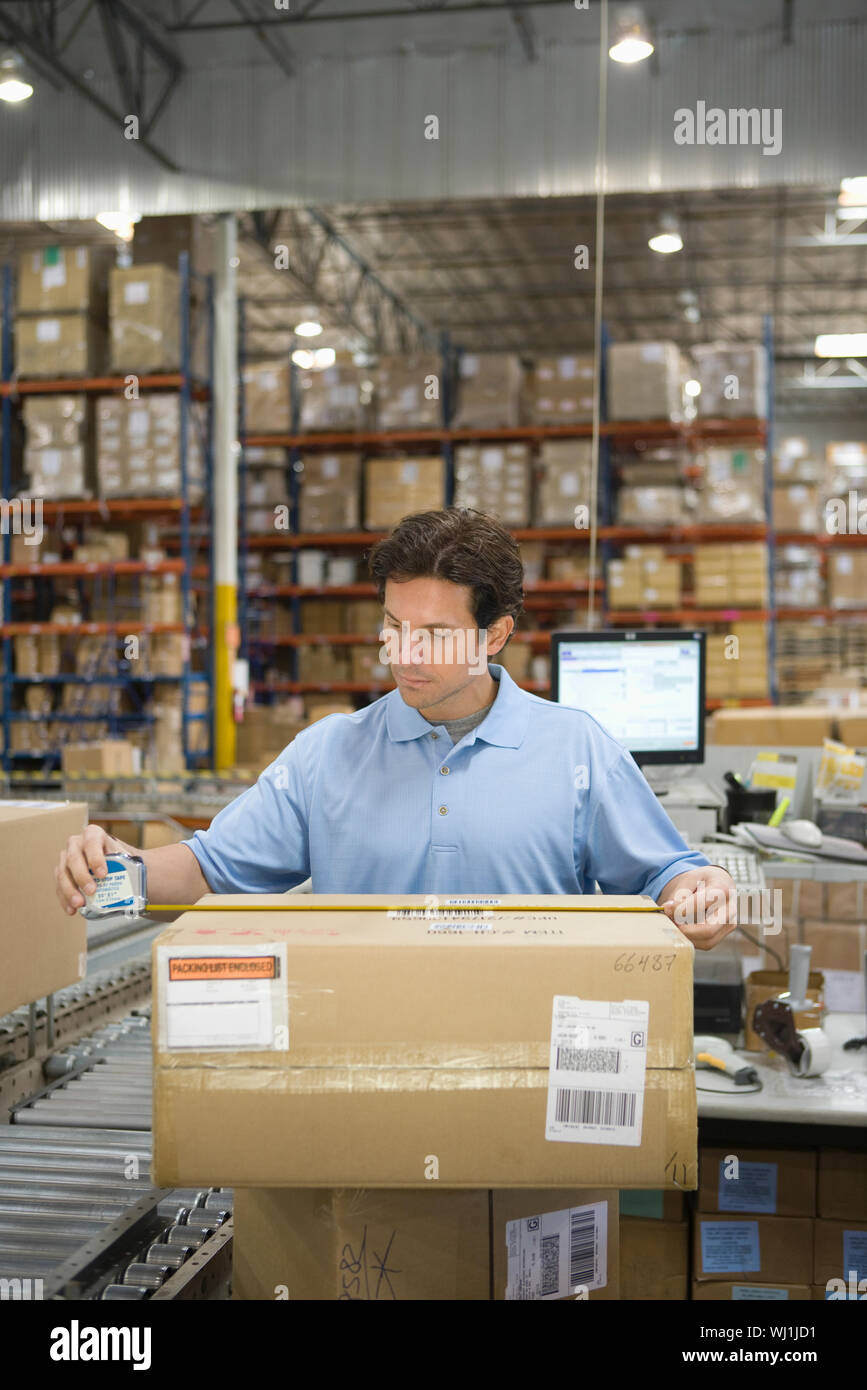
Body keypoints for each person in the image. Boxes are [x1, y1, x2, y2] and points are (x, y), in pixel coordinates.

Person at [57, 507, 736, 949]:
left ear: (495, 634)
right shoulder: (330, 752)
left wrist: (696, 895)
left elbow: (665, 876)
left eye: (435, 634)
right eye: (393, 626)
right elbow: (210, 873)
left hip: (528, 1086)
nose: (403, 655)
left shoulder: (575, 749)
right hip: (365, 1077)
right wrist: (110, 875)